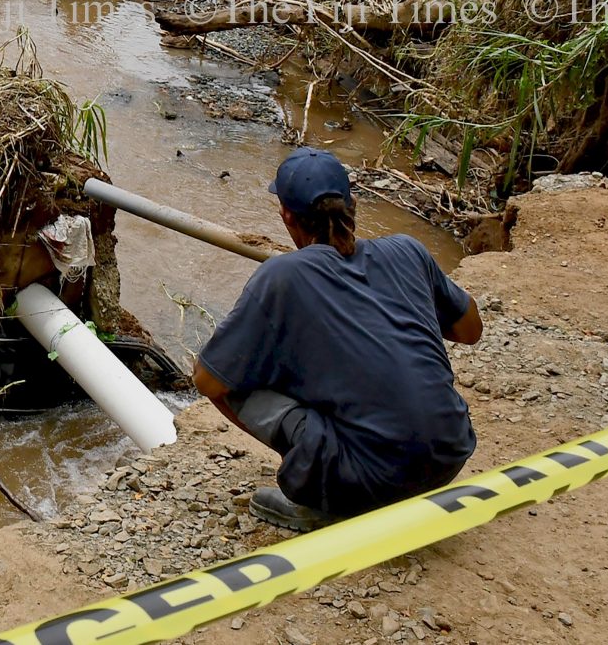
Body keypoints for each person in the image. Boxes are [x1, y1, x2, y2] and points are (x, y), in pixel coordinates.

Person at [192, 147, 482, 532]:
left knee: (231, 376)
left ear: (287, 217)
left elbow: (207, 380)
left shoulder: (283, 276)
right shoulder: (408, 250)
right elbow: (470, 330)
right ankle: (363, 473)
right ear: (353, 204)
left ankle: (322, 492)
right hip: (449, 456)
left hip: (374, 480)